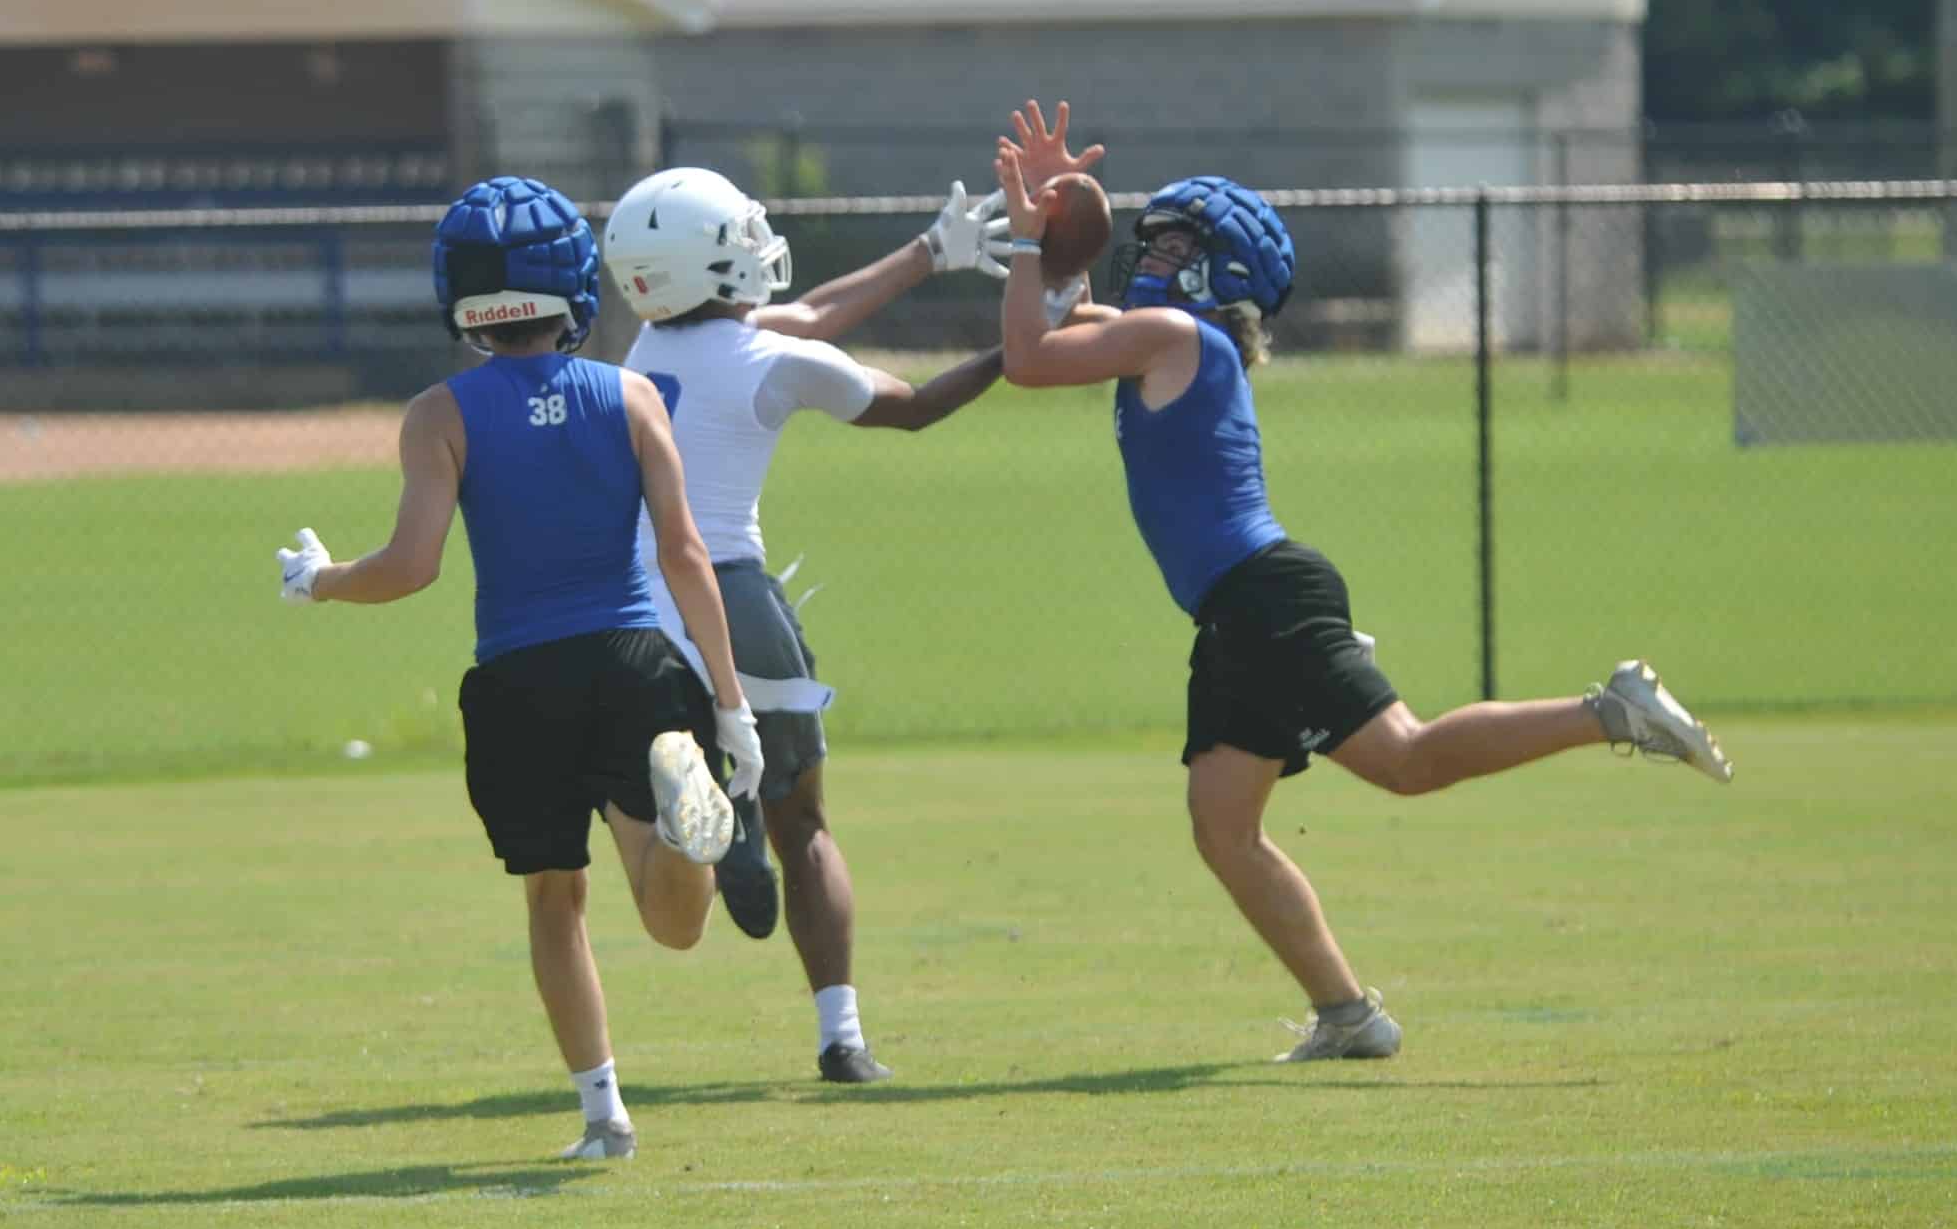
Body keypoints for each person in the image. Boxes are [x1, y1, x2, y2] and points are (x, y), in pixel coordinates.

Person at [986, 101, 1732, 1063]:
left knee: (1407, 760)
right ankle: (1347, 1014)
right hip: (1238, 608)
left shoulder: (1179, 337)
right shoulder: (1165, 335)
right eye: (1151, 241)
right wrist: (1050, 222)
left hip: (1264, 596)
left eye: (1175, 244)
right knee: (1224, 829)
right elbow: (1055, 320)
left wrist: (1021, 239)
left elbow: (1025, 356)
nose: (1154, 258)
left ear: (1224, 272)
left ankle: (1610, 711)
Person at [275, 174, 767, 1158]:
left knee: (555, 898)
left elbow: (410, 567)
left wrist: (320, 580)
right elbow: (681, 554)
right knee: (673, 923)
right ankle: (680, 823)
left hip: (517, 679)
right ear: (573, 285)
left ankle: (602, 1115)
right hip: (635, 663)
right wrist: (730, 702)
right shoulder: (630, 395)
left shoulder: (438, 415)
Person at [601, 166, 1013, 1084]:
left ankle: (716, 819)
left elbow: (814, 314)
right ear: (705, 262)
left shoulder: (642, 352)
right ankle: (842, 1037)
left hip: (627, 609)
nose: (755, 247)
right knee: (810, 822)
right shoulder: (763, 360)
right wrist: (1021, 348)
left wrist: (926, 253)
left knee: (701, 777)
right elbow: (912, 407)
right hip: (728, 594)